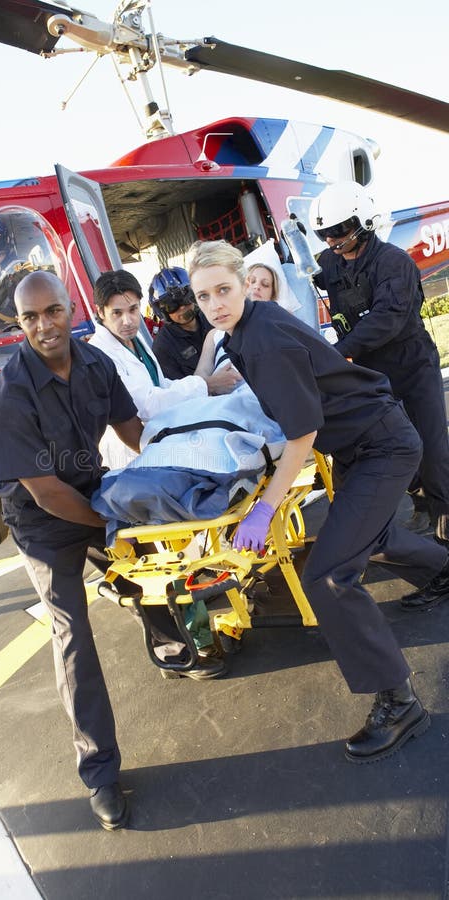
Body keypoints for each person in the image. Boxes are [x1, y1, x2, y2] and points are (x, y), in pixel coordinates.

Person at [188, 238, 449, 763]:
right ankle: (443, 570)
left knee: (328, 575)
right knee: (366, 537)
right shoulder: (247, 328)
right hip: (365, 441)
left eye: (224, 289)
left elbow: (303, 434)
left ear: (244, 283)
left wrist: (263, 510)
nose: (215, 303)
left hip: (380, 446)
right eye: (203, 296)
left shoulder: (259, 339)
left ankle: (399, 703)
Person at [0, 271, 213, 832]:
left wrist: (185, 461)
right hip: (41, 520)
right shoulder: (9, 394)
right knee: (73, 636)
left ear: (71, 310)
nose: (44, 325)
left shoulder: (95, 363)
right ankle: (99, 772)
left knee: (151, 562)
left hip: (90, 488)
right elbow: (46, 492)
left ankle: (174, 650)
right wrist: (115, 522)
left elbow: (134, 432)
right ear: (21, 322)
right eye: (31, 317)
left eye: (53, 311)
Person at [309, 181, 449, 542]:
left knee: (432, 450)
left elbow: (389, 317)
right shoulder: (331, 263)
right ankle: (421, 503)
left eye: (339, 231)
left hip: (412, 364)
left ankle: (445, 523)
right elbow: (306, 281)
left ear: (362, 222)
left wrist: (338, 353)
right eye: (325, 233)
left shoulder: (394, 262)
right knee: (394, 445)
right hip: (370, 371)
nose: (332, 241)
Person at [89, 269, 241, 469]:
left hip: (157, 439)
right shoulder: (99, 354)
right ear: (100, 312)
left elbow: (161, 384)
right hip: (131, 453)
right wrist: (206, 385)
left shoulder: (134, 339)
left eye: (133, 309)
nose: (127, 320)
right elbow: (146, 405)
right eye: (117, 313)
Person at [148, 266, 220, 379]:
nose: (182, 308)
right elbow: (178, 391)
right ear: (162, 311)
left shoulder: (214, 316)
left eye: (186, 299)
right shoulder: (163, 348)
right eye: (171, 305)